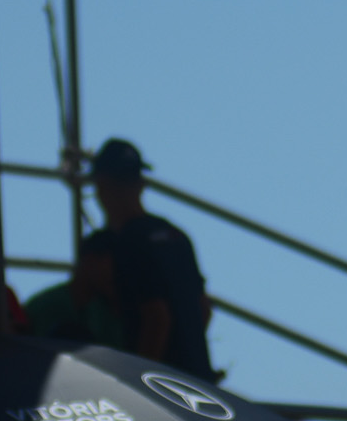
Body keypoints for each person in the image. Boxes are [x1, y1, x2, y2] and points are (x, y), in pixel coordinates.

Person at [88, 138, 214, 379]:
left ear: (102, 185)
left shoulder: (128, 242)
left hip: (164, 385)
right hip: (198, 380)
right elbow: (204, 309)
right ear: (141, 184)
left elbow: (157, 317)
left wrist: (141, 379)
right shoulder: (176, 235)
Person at [25, 230, 128, 348]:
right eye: (114, 266)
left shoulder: (104, 315)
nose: (118, 275)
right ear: (90, 260)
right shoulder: (46, 306)